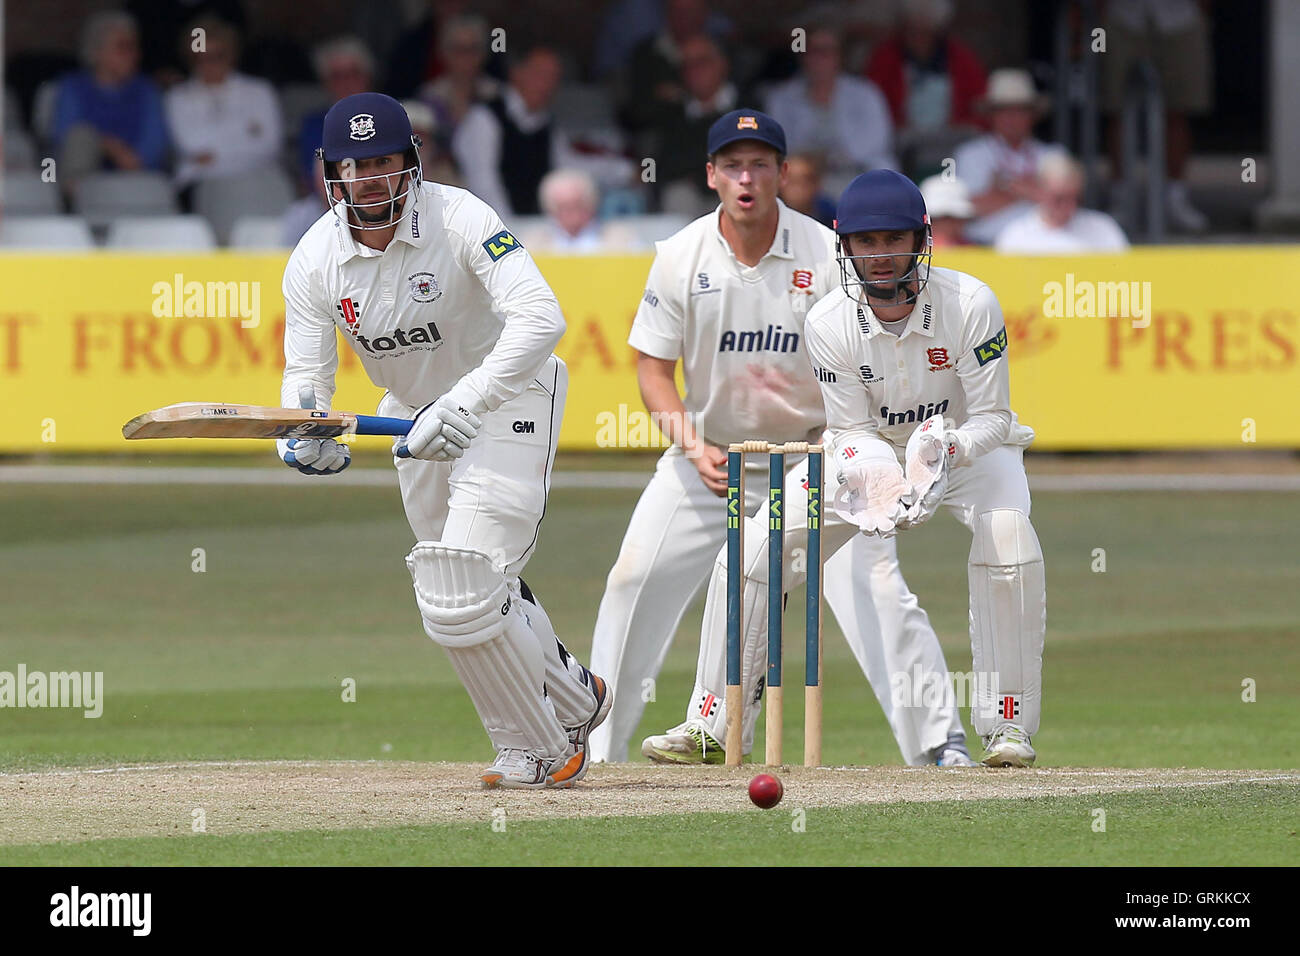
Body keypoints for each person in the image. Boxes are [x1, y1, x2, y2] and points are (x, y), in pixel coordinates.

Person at [591, 109, 973, 769]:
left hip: (817, 455)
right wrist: (689, 443)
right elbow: (652, 370)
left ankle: (941, 743)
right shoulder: (679, 257)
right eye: (733, 166)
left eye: (760, 164)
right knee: (633, 577)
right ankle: (594, 749)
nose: (747, 178)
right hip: (710, 459)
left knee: (875, 584)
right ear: (712, 176)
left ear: (782, 173)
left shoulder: (826, 253)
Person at [277, 92, 610, 788]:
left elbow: (540, 318)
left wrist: (465, 399)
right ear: (329, 173)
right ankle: (580, 697)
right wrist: (305, 435)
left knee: (463, 581)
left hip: (508, 394)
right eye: (353, 165)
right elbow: (306, 383)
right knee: (460, 585)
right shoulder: (313, 260)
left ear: (411, 164)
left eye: (383, 162)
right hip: (411, 415)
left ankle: (538, 748)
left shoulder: (461, 218)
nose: (368, 178)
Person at [800, 168, 1044, 767]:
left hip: (968, 451)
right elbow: (850, 428)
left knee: (1009, 543)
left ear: (921, 239)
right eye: (866, 242)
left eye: (894, 240)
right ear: (845, 245)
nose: (881, 256)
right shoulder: (827, 321)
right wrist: (881, 473)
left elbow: (993, 416)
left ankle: (1007, 725)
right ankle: (710, 717)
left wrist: (947, 452)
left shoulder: (971, 302)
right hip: (871, 457)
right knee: (757, 544)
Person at [453, 46, 633, 218]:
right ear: (516, 73)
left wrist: (626, 171)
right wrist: (506, 232)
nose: (547, 84)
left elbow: (567, 165)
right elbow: (483, 184)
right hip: (496, 237)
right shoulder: (484, 118)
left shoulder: (546, 125)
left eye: (554, 77)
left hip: (533, 233)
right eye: (539, 74)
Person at [1101, 0, 1212, 232]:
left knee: (1178, 111)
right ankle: (1121, 199)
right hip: (1123, 15)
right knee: (1118, 110)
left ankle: (1175, 198)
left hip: (1181, 16)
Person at [764, 26, 894, 197]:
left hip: (858, 173)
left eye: (825, 51)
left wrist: (830, 157)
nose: (818, 59)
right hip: (805, 179)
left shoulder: (865, 93)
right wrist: (810, 160)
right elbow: (778, 146)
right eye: (811, 51)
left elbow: (878, 141)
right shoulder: (781, 97)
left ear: (839, 57)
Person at [51, 10, 168, 187]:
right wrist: (110, 146)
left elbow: (152, 149)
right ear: (96, 51)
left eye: (134, 47)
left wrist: (119, 154)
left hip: (137, 185)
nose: (134, 55)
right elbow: (65, 137)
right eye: (123, 47)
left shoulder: (147, 90)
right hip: (82, 186)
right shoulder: (72, 87)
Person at [164, 17, 282, 189]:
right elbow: (191, 144)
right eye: (201, 57)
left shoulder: (260, 91)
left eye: (216, 56)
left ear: (231, 55)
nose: (209, 64)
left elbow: (269, 145)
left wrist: (212, 151)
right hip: (199, 183)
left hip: (257, 178)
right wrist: (245, 132)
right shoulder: (177, 97)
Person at [952, 68, 1065, 245]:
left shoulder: (1053, 154)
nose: (1011, 118)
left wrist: (1003, 187)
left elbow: (1065, 205)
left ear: (1032, 115)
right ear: (991, 115)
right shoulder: (971, 154)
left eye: (1019, 110)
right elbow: (967, 211)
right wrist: (1032, 189)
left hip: (1046, 246)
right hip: (984, 247)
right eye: (1003, 110)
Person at [994, 153, 1128, 254]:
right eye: (1059, 198)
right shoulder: (1016, 236)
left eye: (1075, 198)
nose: (1068, 206)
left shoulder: (1103, 228)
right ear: (1040, 191)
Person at [296, 37, 375, 185]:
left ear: (367, 77)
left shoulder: (389, 116)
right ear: (326, 83)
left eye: (353, 74)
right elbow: (311, 177)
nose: (346, 83)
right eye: (337, 76)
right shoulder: (314, 125)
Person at [780, 152, 837, 228]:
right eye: (792, 181)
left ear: (817, 184)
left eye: (804, 181)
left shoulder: (834, 218)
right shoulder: (765, 217)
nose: (797, 189)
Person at [919, 173, 974, 247]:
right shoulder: (913, 252)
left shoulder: (971, 248)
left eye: (958, 219)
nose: (956, 225)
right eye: (946, 218)